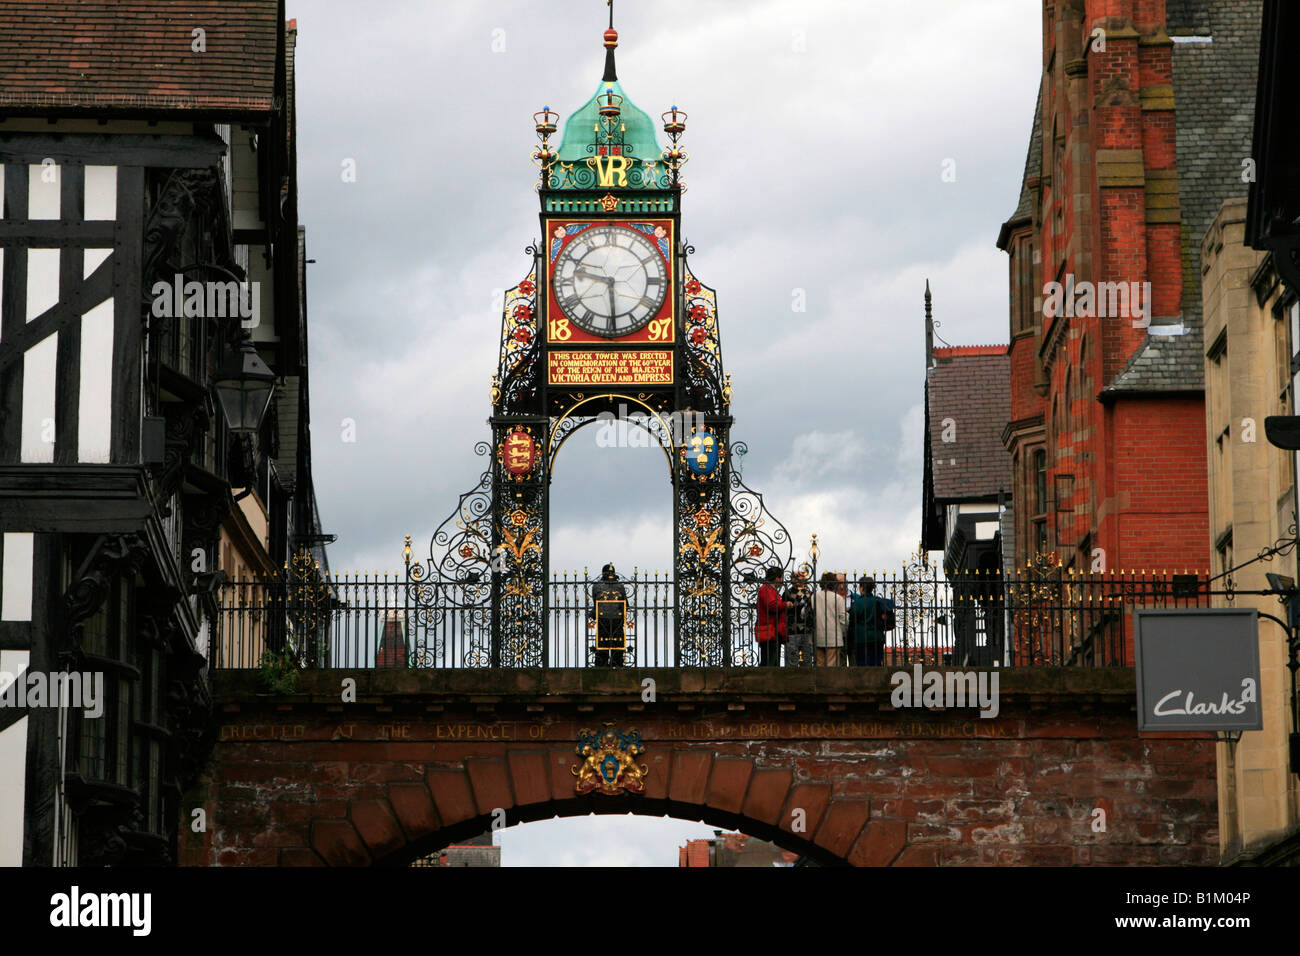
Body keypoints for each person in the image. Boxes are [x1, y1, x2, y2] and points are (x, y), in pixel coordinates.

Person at [589, 563, 630, 666]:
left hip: (602, 619)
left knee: (602, 643)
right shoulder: (620, 586)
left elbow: (595, 603)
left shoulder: (596, 586)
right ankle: (617, 662)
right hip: (617, 619)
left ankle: (601, 663)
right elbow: (626, 605)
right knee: (618, 643)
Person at [848, 576, 891, 666]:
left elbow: (852, 620)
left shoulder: (858, 603)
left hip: (861, 638)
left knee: (862, 665)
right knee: (876, 664)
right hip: (877, 637)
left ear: (862, 588)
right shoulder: (878, 602)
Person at [812, 571, 847, 666]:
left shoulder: (814, 597)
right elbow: (843, 619)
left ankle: (820, 681)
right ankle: (829, 681)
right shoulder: (838, 598)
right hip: (834, 637)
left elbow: (804, 612)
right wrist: (842, 632)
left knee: (819, 665)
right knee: (832, 666)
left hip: (818, 636)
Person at [756, 565, 789, 667]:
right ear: (777, 578)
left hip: (771, 629)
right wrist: (785, 605)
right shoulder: (766, 589)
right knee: (770, 660)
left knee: (771, 659)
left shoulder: (768, 589)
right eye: (781, 578)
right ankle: (767, 680)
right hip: (769, 630)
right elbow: (771, 605)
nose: (782, 581)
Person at [782, 570, 814, 667]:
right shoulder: (787, 593)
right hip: (792, 630)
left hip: (807, 630)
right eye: (795, 577)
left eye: (800, 577)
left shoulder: (809, 593)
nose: (797, 580)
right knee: (792, 660)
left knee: (807, 660)